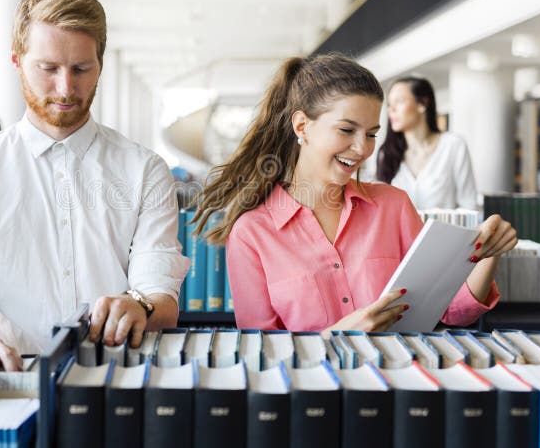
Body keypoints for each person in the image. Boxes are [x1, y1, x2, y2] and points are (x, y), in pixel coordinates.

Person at [0, 0, 189, 371]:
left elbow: (161, 301)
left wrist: (139, 305)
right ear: (17, 61)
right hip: (8, 376)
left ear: (100, 63)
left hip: (116, 376)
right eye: (48, 69)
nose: (66, 88)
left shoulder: (144, 170)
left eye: (81, 69)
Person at [194, 54, 516, 332]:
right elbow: (260, 352)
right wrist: (338, 334)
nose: (362, 149)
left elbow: (452, 310)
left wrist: (488, 252)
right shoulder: (252, 233)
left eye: (372, 134)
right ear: (302, 126)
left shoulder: (394, 206)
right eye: (347, 130)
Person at [377, 76, 477, 210]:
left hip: (444, 231)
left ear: (422, 104)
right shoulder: (387, 153)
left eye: (399, 101)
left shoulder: (453, 145)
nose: (391, 109)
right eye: (389, 104)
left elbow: (469, 204)